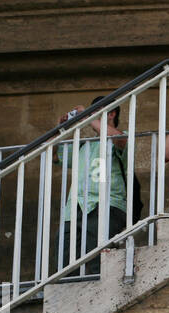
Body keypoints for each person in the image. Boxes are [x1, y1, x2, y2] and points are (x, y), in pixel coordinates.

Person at [59, 95, 130, 276]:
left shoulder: (119, 138)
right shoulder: (84, 146)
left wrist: (87, 117)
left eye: (96, 111)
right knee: (66, 263)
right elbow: (55, 156)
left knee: (98, 261)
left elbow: (121, 141)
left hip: (106, 205)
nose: (92, 117)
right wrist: (60, 128)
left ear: (112, 113)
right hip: (74, 209)